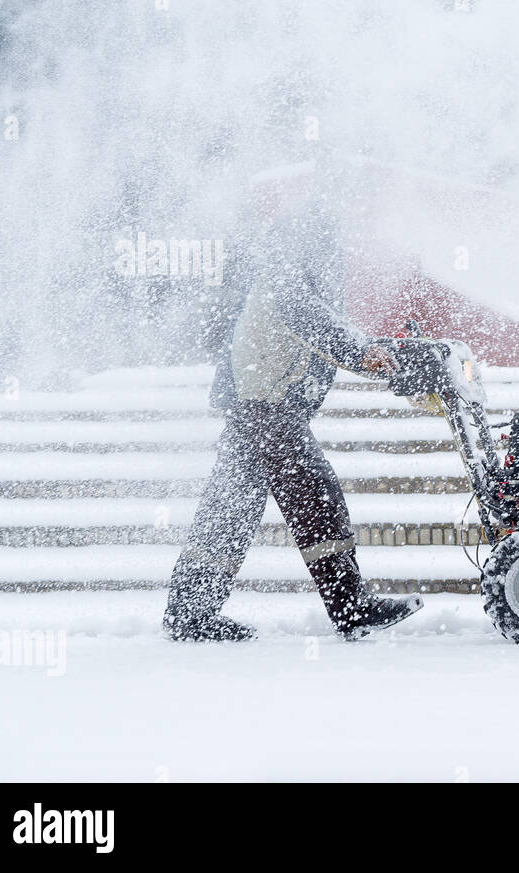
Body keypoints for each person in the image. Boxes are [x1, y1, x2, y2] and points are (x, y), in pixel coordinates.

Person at [163, 194, 422, 641]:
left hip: (256, 410)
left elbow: (321, 324)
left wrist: (379, 350)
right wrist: (362, 353)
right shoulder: (286, 277)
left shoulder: (282, 274)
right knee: (317, 502)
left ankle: (189, 610)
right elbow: (311, 320)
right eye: (331, 245)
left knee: (231, 511)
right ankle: (351, 608)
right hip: (268, 412)